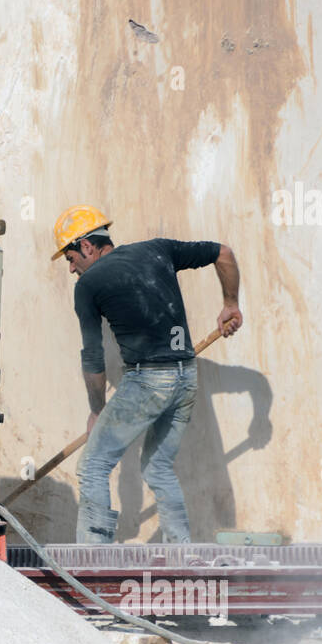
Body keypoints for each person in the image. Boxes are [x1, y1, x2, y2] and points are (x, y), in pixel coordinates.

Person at [52, 205, 242, 544]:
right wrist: (231, 303)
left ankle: (93, 560)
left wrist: (97, 410)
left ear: (86, 246)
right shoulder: (158, 249)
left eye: (69, 258)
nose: (70, 269)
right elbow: (223, 253)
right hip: (185, 376)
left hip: (149, 379)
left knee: (93, 466)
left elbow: (93, 359)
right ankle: (181, 555)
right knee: (157, 467)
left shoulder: (88, 285)